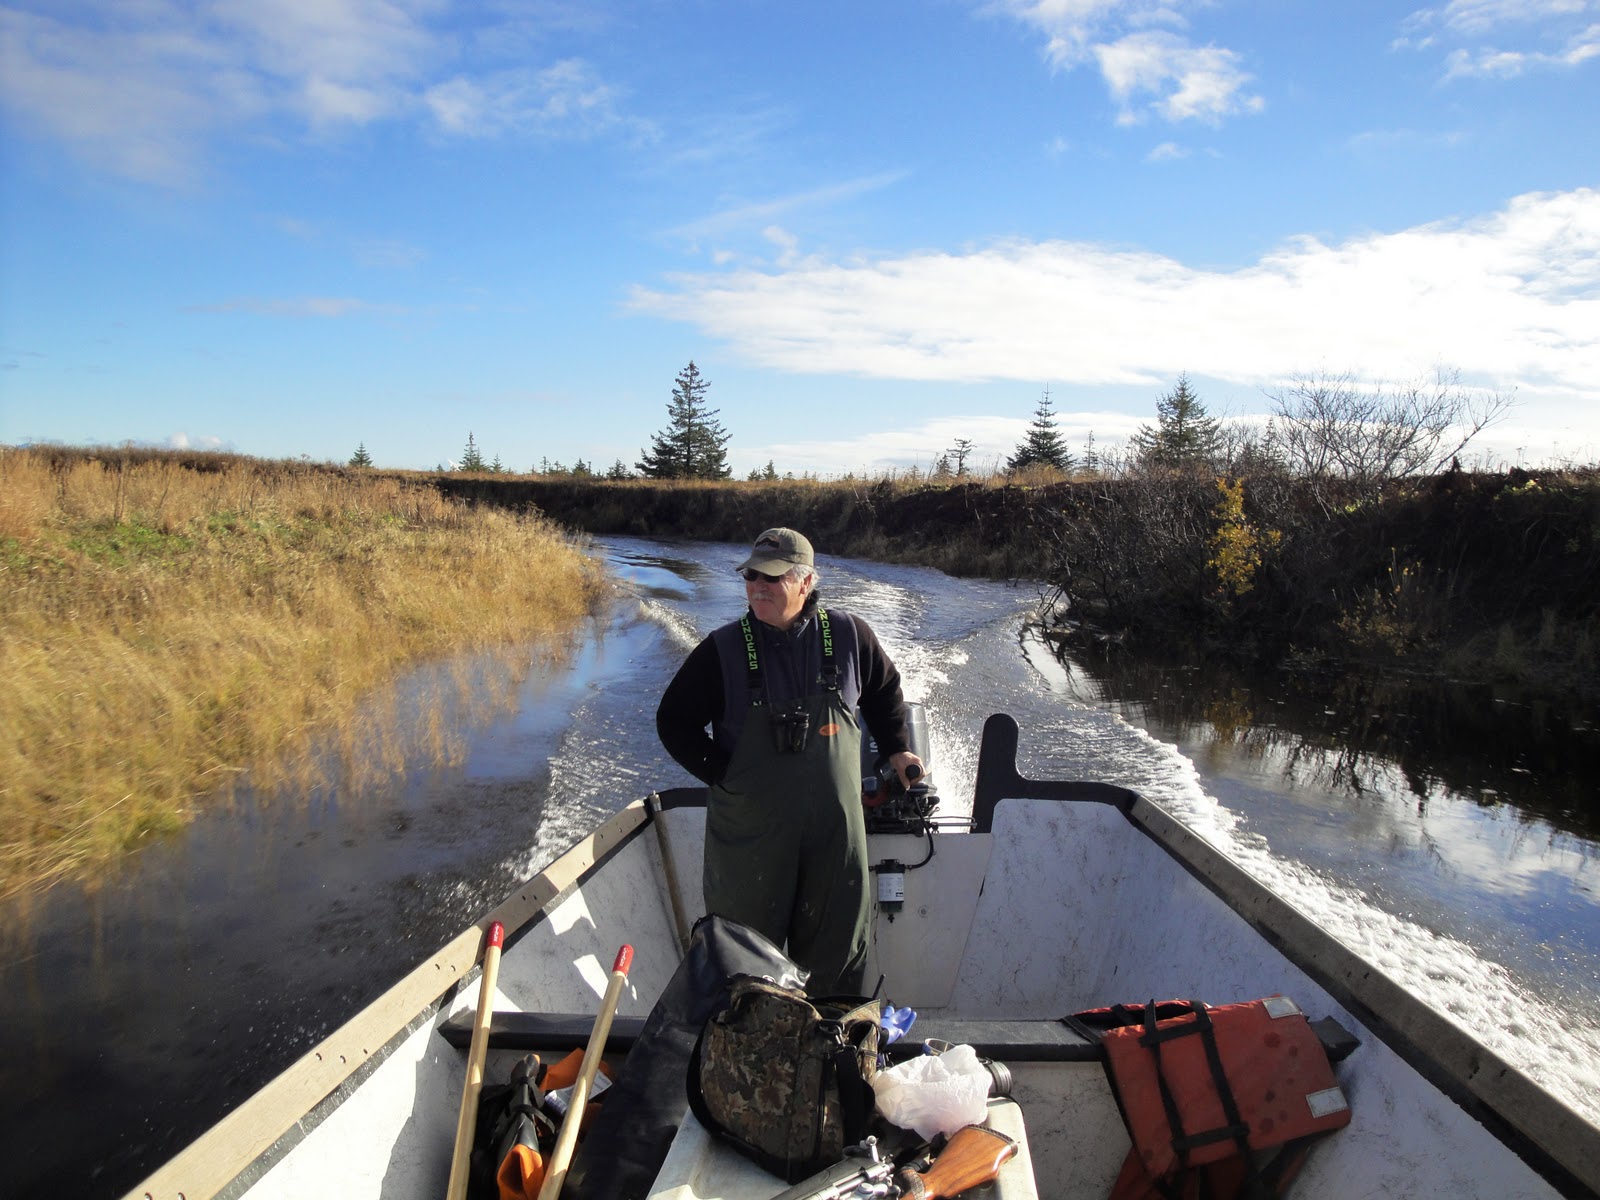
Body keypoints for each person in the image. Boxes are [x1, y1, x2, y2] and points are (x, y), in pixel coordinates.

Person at [656, 528, 924, 995]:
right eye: (752, 575)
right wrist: (724, 774)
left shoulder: (850, 636)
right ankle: (750, 1058)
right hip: (750, 842)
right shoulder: (721, 650)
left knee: (836, 959)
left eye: (773, 577)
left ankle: (826, 1053)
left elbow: (884, 691)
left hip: (834, 839)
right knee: (742, 966)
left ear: (806, 582)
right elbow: (673, 722)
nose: (758, 585)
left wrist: (898, 745)